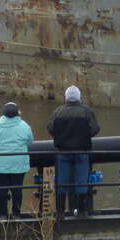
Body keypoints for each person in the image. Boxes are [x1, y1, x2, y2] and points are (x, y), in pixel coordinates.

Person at [47, 85, 99, 217]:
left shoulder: (58, 112)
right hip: (81, 151)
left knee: (61, 181)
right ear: (79, 97)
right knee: (81, 181)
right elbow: (94, 129)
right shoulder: (87, 111)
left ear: (66, 97)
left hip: (63, 152)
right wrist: (84, 136)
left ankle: (59, 212)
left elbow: (51, 128)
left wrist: (61, 137)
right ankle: (81, 211)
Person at [0, 101, 33, 218]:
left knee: (1, 189)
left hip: (0, 164)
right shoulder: (25, 126)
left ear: (3, 114)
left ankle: (2, 215)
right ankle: (16, 214)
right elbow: (30, 141)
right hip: (19, 164)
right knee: (17, 189)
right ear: (17, 114)